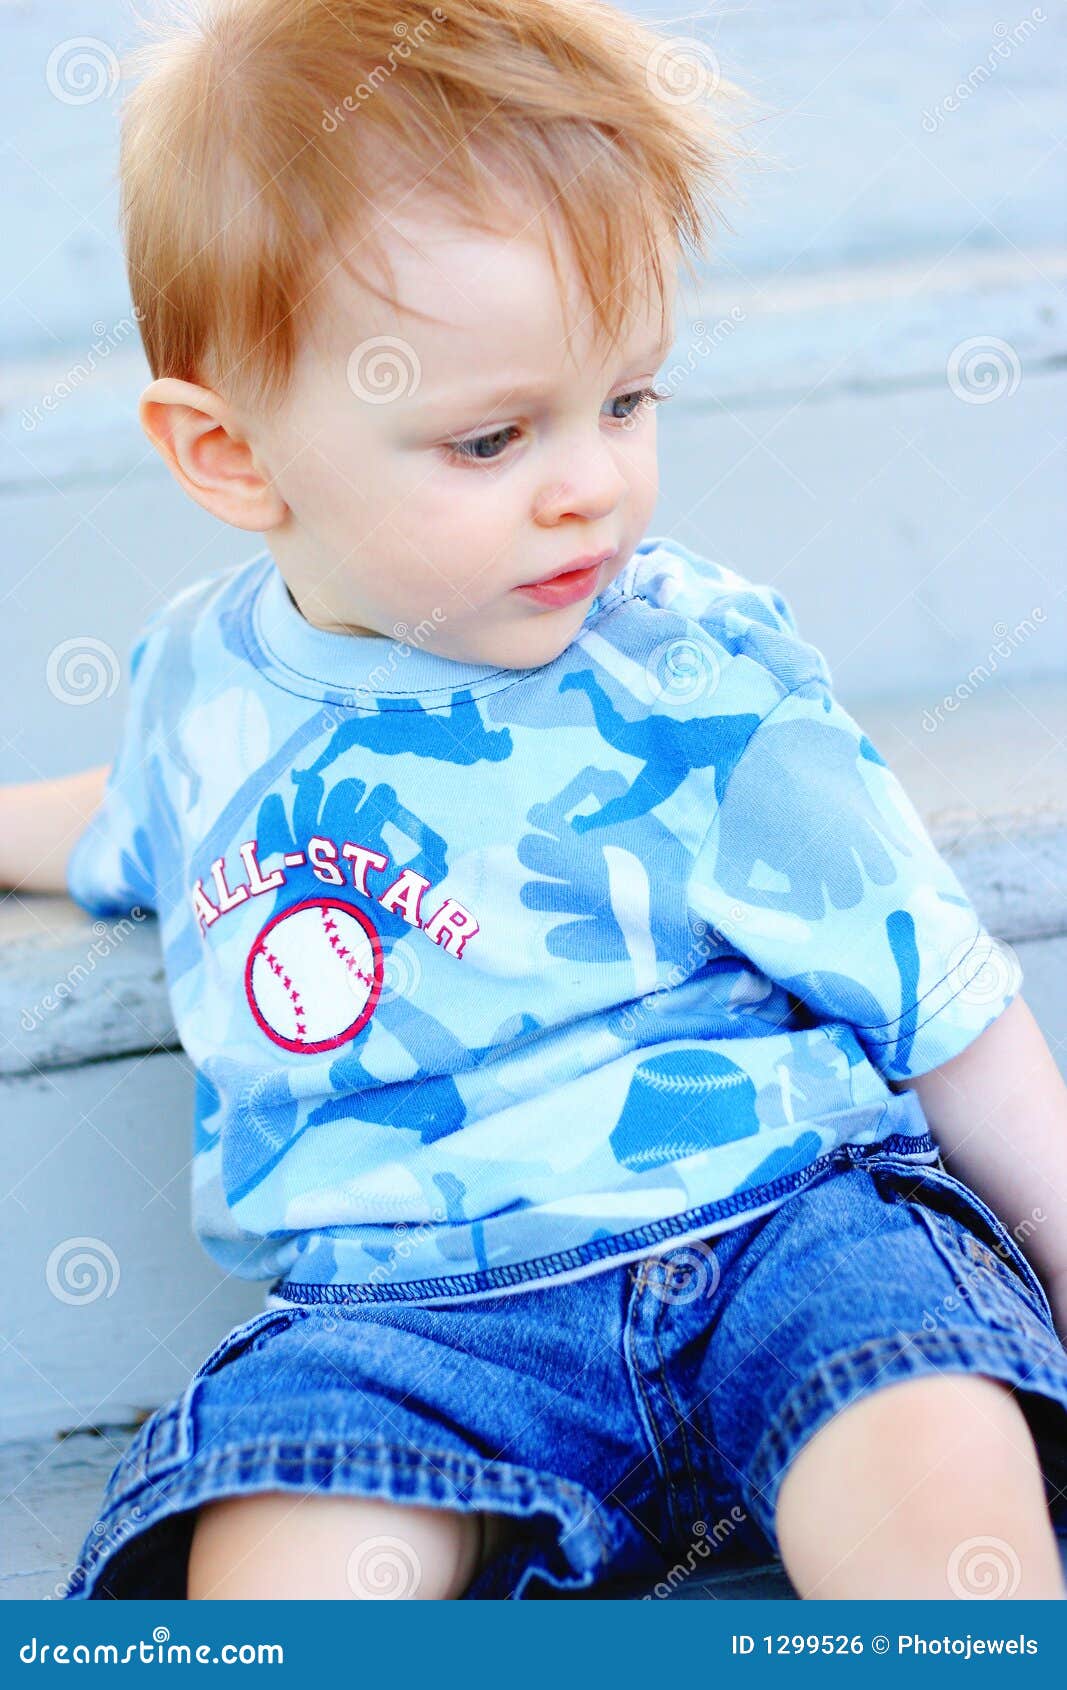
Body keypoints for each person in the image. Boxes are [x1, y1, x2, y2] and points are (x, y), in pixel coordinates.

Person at [6, 0, 1065, 1600]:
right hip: (405, 1321)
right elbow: (124, 814)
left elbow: (944, 996)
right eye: (494, 434)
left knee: (930, 1461)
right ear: (230, 457)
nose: (592, 483)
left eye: (626, 399)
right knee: (284, 1565)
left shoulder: (694, 673)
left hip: (775, 1234)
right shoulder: (199, 692)